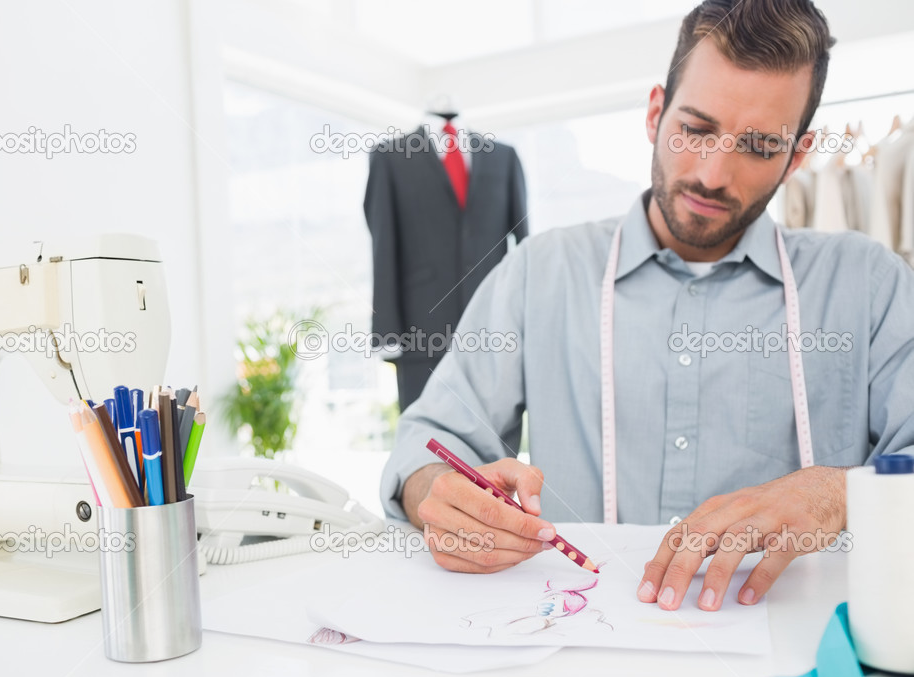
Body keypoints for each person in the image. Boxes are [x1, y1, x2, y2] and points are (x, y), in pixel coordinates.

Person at [378, 0, 914, 613]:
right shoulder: (538, 273)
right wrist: (436, 495)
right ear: (656, 112)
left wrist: (838, 493)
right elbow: (429, 438)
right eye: (696, 128)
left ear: (796, 156)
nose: (714, 175)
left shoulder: (868, 285)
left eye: (761, 146)